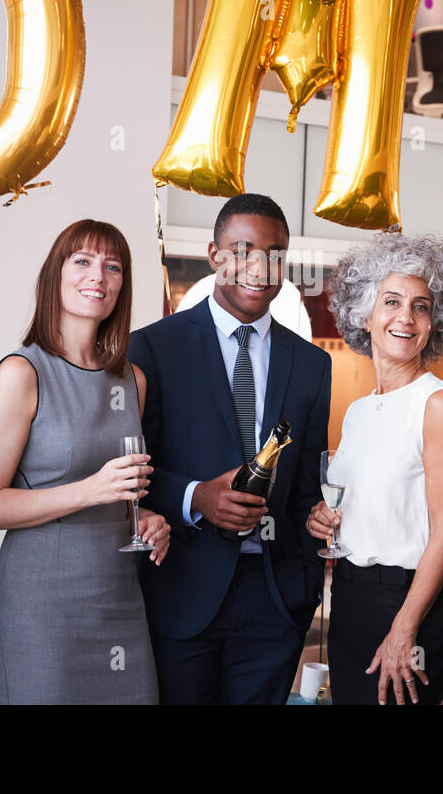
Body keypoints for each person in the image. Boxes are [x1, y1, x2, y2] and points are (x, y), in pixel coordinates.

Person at [128, 193, 331, 704]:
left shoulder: (311, 364)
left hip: (275, 597)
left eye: (276, 254)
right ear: (214, 255)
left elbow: (308, 483)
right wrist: (195, 496)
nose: (260, 268)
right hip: (180, 588)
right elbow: (132, 467)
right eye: (243, 250)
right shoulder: (152, 347)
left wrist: (308, 572)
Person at [0, 220, 170, 703]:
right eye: (82, 261)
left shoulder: (132, 381)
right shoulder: (22, 373)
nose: (97, 276)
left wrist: (150, 520)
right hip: (42, 608)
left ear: (122, 285)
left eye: (112, 266)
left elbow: (122, 501)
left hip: (118, 598)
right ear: (54, 276)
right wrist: (89, 490)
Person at [307, 231, 443, 705]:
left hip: (407, 604)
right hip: (350, 598)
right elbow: (357, 504)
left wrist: (404, 627)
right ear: (364, 312)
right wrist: (321, 517)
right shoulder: (359, 411)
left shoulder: (438, 404)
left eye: (421, 306)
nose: (406, 317)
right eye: (392, 301)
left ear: (435, 321)